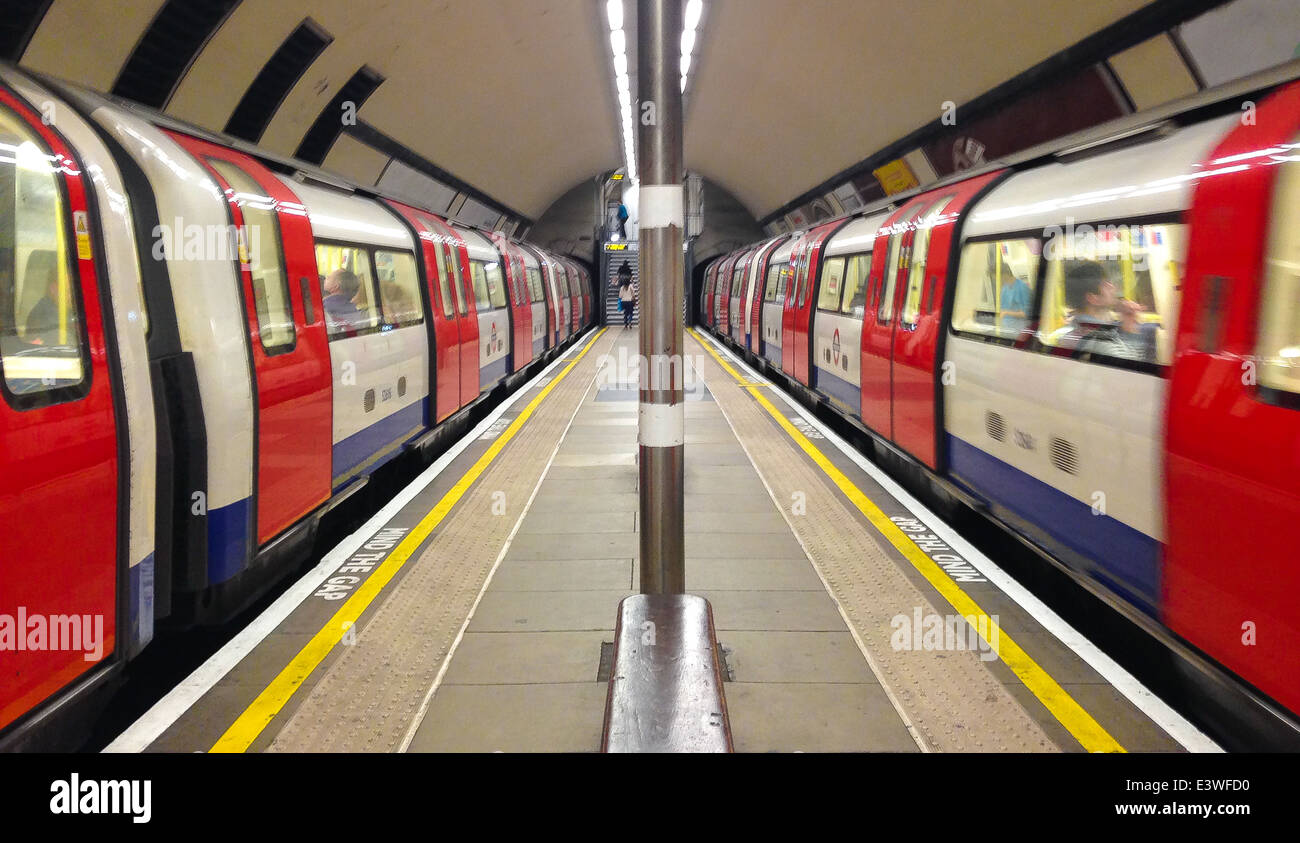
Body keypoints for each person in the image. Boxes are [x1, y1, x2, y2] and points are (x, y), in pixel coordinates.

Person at [1053, 260, 1157, 363]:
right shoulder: (1099, 339)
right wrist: (1130, 328)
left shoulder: (1076, 330)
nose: (1113, 287)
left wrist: (1127, 321)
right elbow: (1132, 368)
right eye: (1106, 284)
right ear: (1093, 298)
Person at [322, 268, 365, 334]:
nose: (325, 279)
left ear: (336, 286)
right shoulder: (353, 308)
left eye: (328, 278)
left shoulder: (326, 306)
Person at [996, 266, 1033, 336]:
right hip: (1006, 329)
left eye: (997, 277)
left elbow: (1025, 314)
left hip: (1018, 331)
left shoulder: (1022, 288)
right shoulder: (1004, 289)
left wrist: (1007, 312)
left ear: (1005, 274)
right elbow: (1002, 311)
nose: (996, 280)